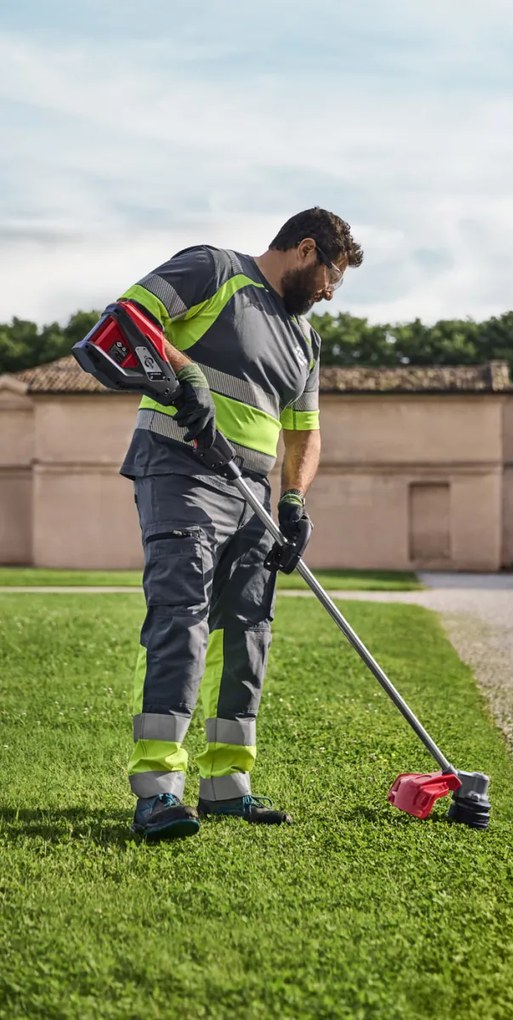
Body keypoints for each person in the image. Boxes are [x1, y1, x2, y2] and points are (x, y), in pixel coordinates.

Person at [117, 207, 363, 840]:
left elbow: (305, 433)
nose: (331, 293)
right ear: (306, 251)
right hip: (181, 471)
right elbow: (131, 316)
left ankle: (228, 784)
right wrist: (187, 373)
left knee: (250, 632)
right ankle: (159, 788)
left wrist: (294, 503)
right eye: (332, 276)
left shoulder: (306, 340)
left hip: (253, 493)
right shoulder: (214, 270)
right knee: (183, 618)